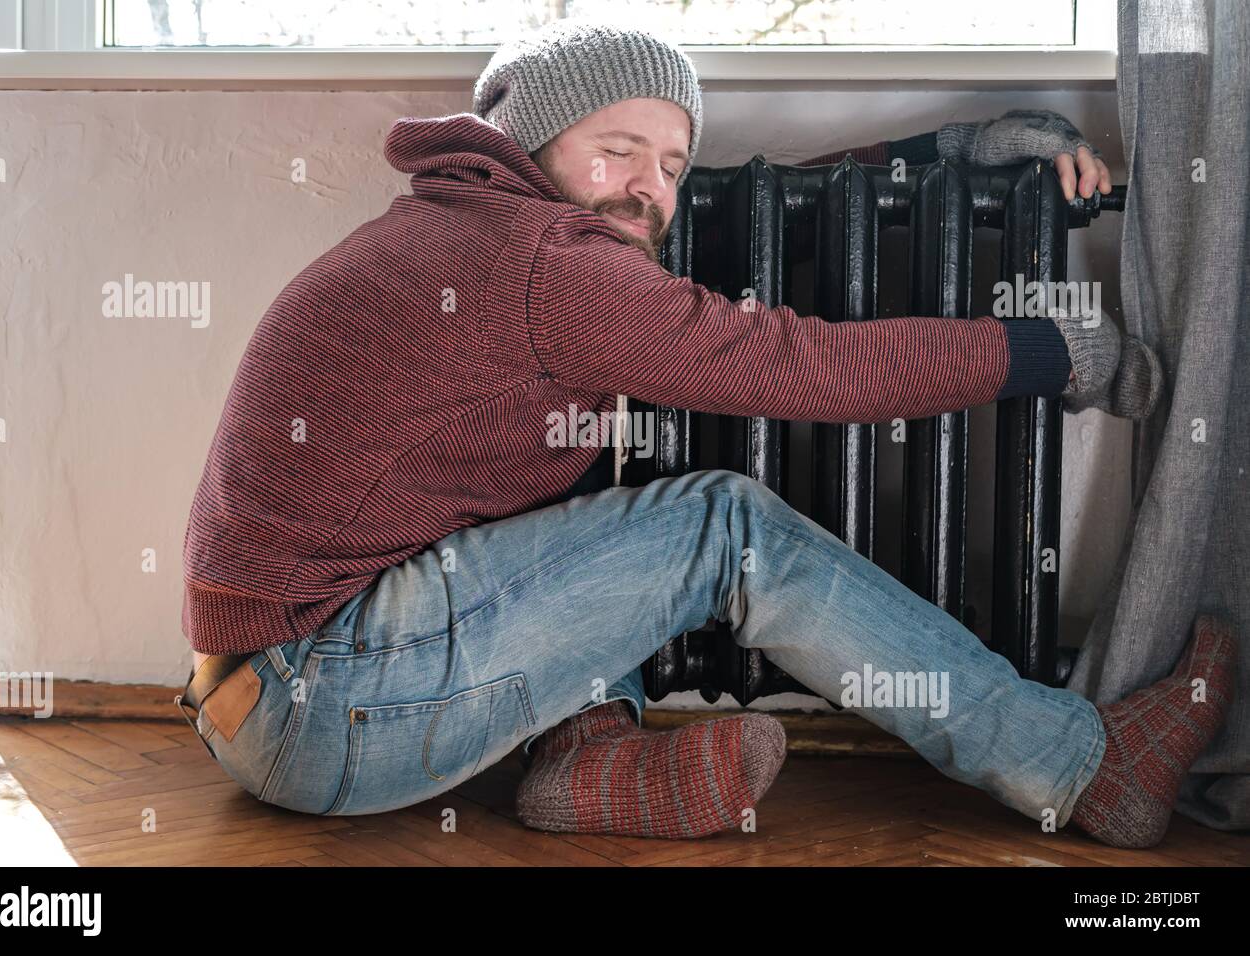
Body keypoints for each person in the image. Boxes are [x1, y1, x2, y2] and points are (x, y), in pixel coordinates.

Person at [181, 19, 1233, 850]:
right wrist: (1050, 351)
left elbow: (715, 231)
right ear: (532, 140)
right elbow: (800, 366)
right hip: (321, 701)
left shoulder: (481, 228)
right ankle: (1076, 764)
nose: (652, 185)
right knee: (718, 524)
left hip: (277, 697)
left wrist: (945, 153)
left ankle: (587, 758)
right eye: (618, 150)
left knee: (578, 471)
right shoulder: (548, 265)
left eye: (673, 162)